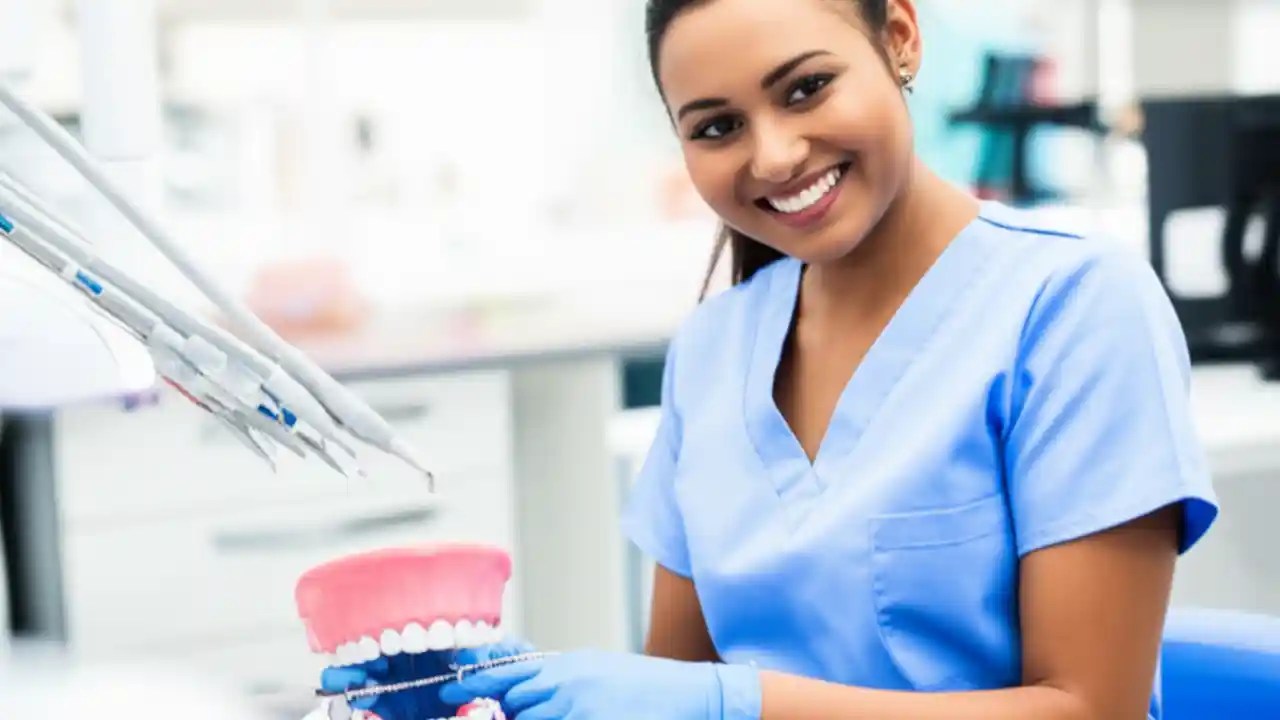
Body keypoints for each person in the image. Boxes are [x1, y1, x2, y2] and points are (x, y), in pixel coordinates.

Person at [331, 1, 1220, 718]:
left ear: (900, 39)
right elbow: (671, 686)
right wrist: (511, 697)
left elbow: (1090, 709)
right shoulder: (714, 349)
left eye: (805, 89)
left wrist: (736, 703)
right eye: (716, 127)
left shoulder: (1072, 304)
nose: (775, 154)